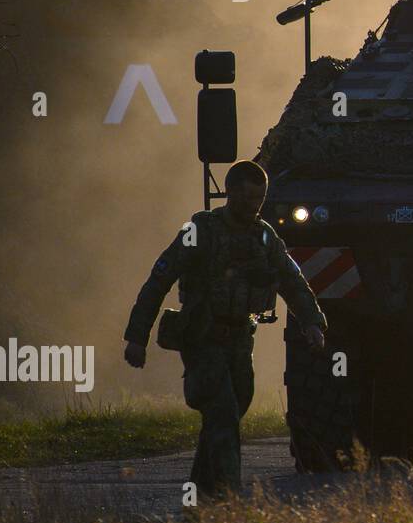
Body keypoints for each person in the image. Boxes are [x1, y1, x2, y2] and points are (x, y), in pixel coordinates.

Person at [123, 160, 326, 499]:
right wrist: (136, 338)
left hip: (240, 340)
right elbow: (158, 280)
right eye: (247, 199)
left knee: (235, 408)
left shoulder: (265, 236)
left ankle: (201, 493)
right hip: (202, 338)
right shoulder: (201, 232)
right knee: (222, 414)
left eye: (259, 199)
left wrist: (312, 323)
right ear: (230, 193)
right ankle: (229, 499)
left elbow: (293, 281)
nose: (254, 207)